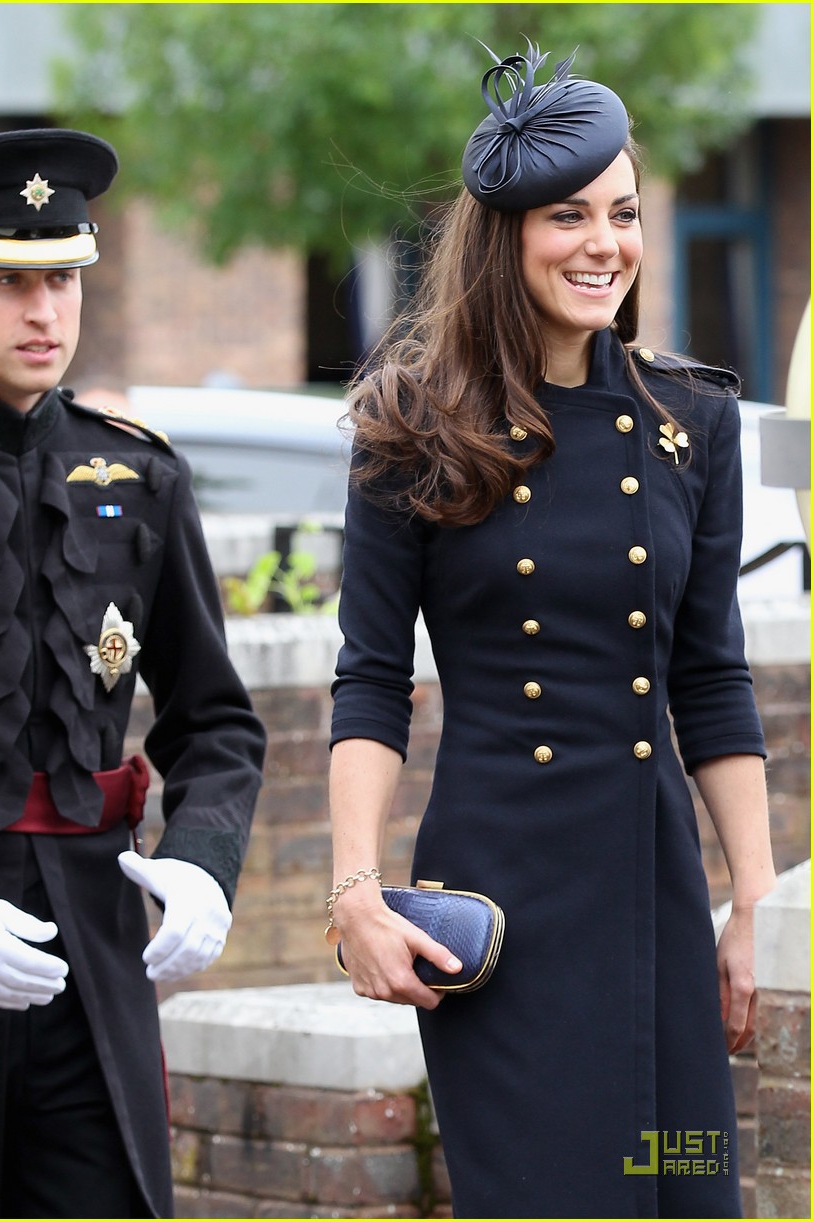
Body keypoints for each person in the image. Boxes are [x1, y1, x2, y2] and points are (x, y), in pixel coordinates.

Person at [327, 42, 776, 1219]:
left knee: (681, 1190)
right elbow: (371, 682)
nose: (602, 243)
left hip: (656, 901)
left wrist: (752, 907)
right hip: (506, 917)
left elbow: (710, 676)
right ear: (504, 232)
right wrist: (355, 893)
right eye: (566, 214)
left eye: (622, 214)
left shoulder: (693, 423)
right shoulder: (408, 423)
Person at [0, 128, 266, 1218]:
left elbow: (215, 723)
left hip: (93, 956)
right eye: (8, 282)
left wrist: (206, 864)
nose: (44, 313)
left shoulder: (139, 473)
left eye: (64, 279)